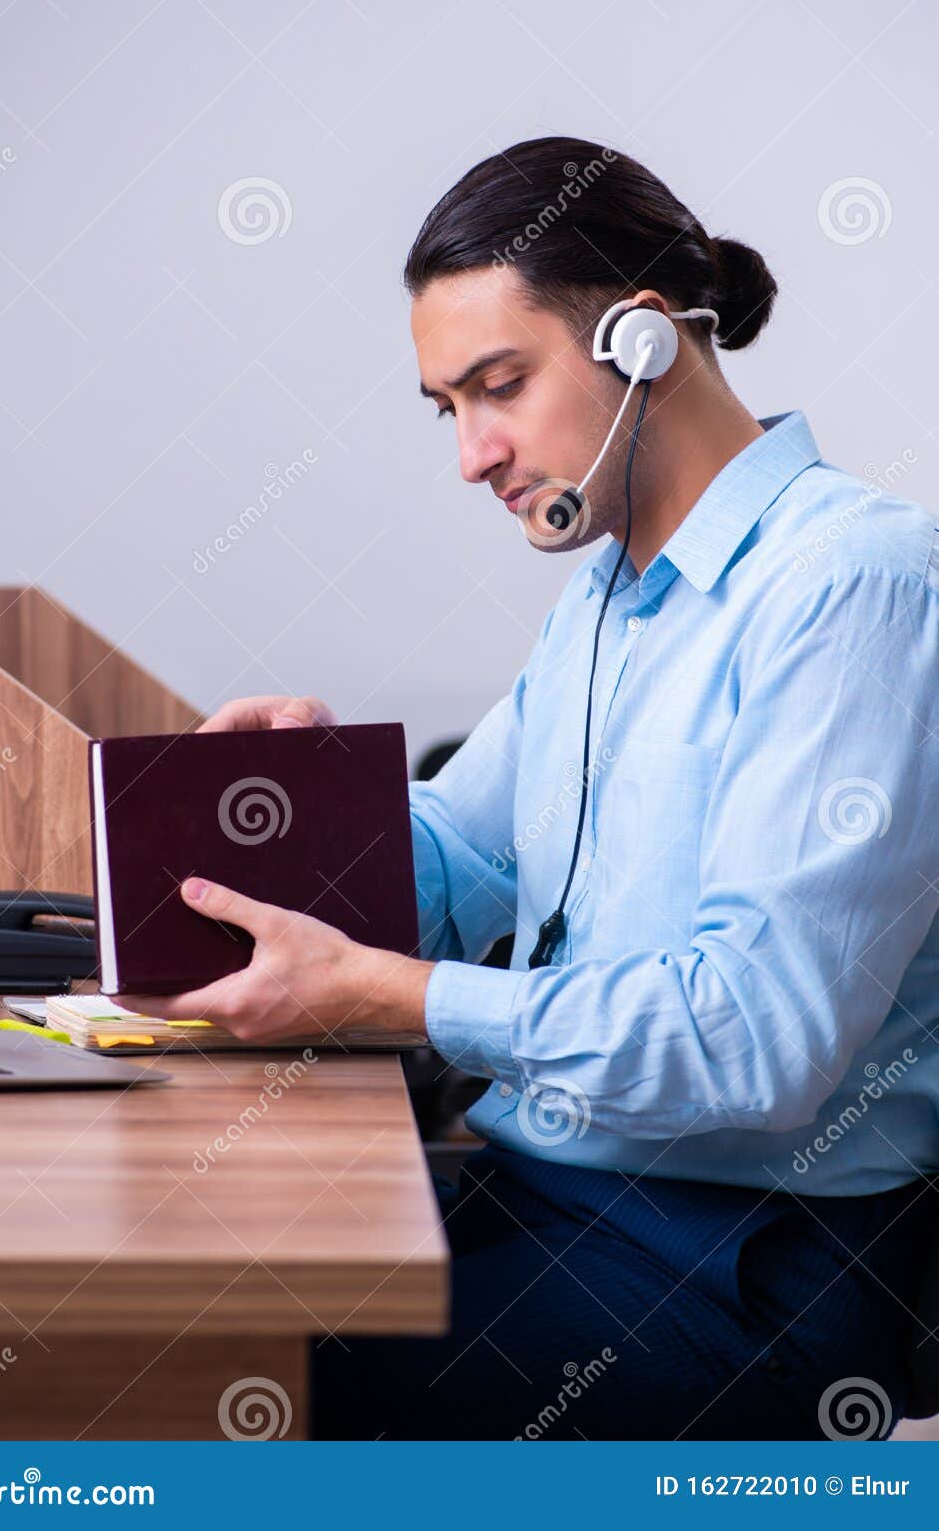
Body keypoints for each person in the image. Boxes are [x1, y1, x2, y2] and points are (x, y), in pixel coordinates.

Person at [123, 137, 939, 1440]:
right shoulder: (608, 596)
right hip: (549, 1202)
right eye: (447, 407)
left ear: (644, 341)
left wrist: (393, 995)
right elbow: (467, 853)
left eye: (498, 387)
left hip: (736, 1272)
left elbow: (758, 1037)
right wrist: (300, 816)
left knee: (202, 1392)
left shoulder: (854, 586)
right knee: (181, 1313)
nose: (472, 454)